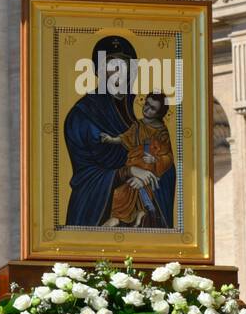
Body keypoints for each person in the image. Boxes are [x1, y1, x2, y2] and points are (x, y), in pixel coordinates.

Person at [63, 34, 139, 227]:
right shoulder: (83, 115)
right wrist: (127, 171)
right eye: (112, 67)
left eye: (125, 67)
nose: (119, 74)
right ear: (100, 71)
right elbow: (88, 172)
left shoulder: (136, 113)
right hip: (95, 207)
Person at [99, 91, 175, 228]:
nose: (147, 109)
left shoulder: (162, 131)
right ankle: (123, 216)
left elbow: (168, 156)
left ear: (159, 113)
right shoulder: (138, 125)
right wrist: (111, 139)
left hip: (150, 167)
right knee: (121, 192)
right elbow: (125, 137)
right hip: (135, 165)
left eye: (153, 108)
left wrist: (156, 160)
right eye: (147, 104)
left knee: (139, 186)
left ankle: (137, 213)